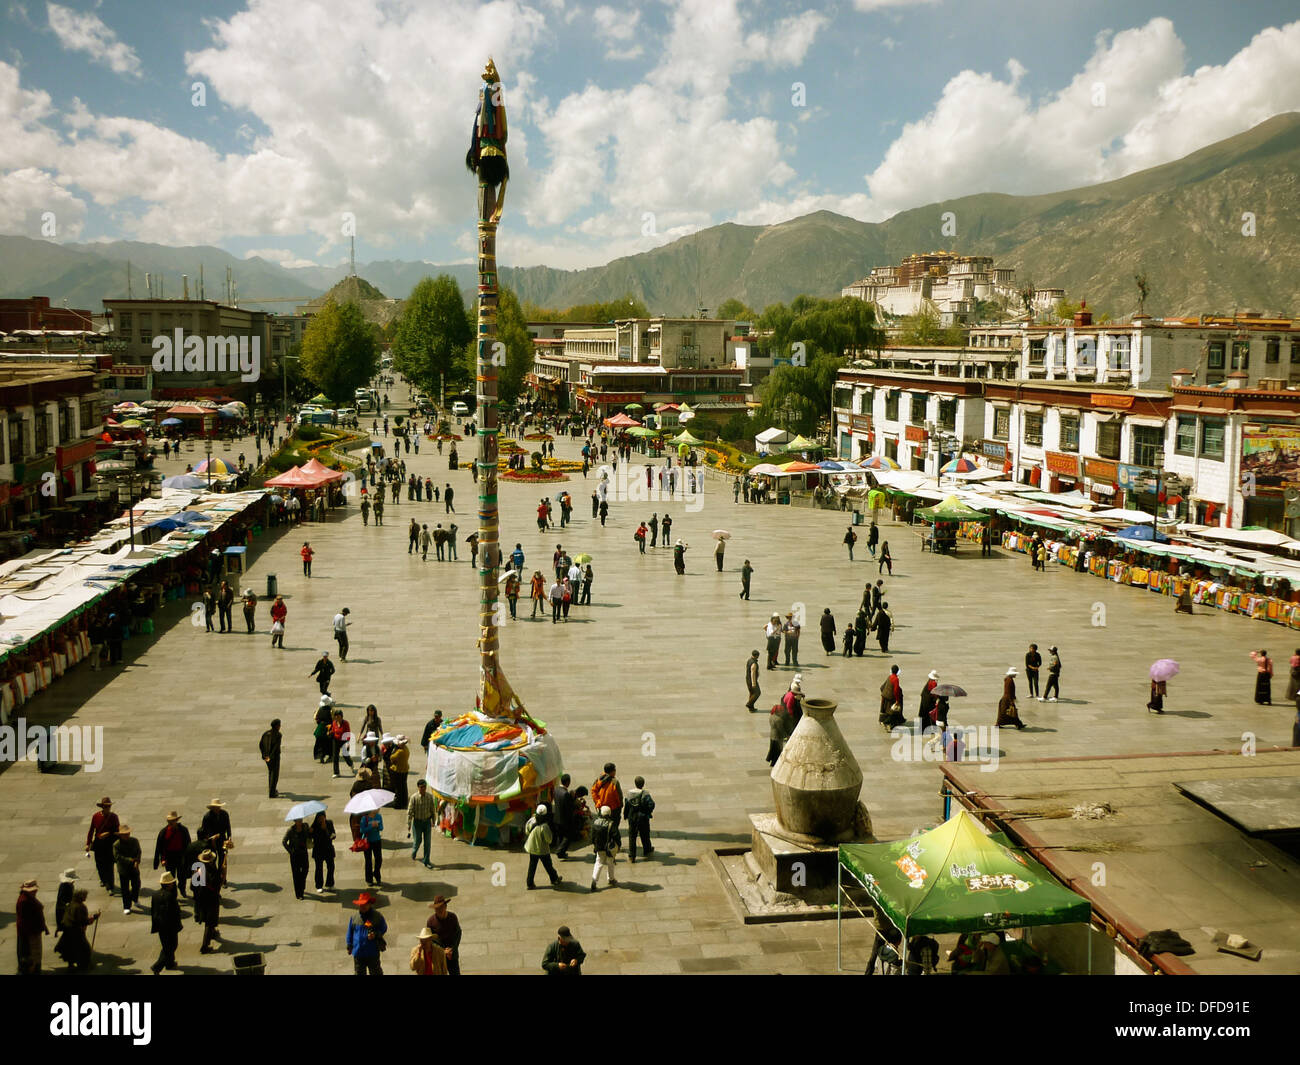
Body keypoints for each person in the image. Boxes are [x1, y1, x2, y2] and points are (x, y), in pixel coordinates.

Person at [54, 888, 98, 970]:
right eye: (85, 896)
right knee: (84, 949)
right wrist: (94, 917)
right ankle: (84, 965)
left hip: (68, 931)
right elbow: (82, 921)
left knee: (70, 949)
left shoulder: (71, 904)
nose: (86, 897)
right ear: (80, 897)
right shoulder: (80, 907)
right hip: (76, 932)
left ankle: (71, 965)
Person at [346, 893, 387, 976]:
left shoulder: (377, 916)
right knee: (359, 972)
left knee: (376, 972)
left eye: (365, 904)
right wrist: (349, 945)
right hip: (358, 952)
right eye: (361, 905)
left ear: (369, 904)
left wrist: (375, 934)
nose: (363, 906)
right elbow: (350, 932)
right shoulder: (354, 917)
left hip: (372, 952)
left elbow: (384, 928)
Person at [149, 871, 182, 974]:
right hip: (170, 926)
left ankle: (170, 963)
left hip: (159, 925)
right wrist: (178, 925)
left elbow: (153, 910)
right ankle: (157, 966)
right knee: (171, 946)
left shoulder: (155, 895)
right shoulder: (170, 896)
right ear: (168, 884)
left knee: (166, 945)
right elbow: (175, 912)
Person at [86, 796, 120, 894]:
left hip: (109, 843)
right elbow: (91, 830)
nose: (107, 808)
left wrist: (108, 833)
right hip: (99, 843)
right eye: (106, 807)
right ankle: (103, 880)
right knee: (99, 864)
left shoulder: (114, 817)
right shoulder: (96, 816)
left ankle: (110, 886)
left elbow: (117, 830)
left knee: (109, 865)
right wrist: (88, 843)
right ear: (102, 807)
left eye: (109, 806)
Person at [524, 804, 563, 889]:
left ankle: (529, 883)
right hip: (542, 850)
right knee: (548, 865)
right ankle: (554, 879)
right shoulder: (544, 826)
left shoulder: (532, 820)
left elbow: (527, 831)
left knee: (532, 866)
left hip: (531, 847)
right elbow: (549, 840)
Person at [153, 812, 191, 896]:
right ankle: (173, 893)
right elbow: (159, 847)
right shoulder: (164, 832)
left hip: (180, 856)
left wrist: (188, 857)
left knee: (182, 875)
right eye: (169, 821)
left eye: (173, 821)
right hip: (169, 857)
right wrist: (162, 859)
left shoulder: (183, 830)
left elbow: (188, 844)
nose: (171, 823)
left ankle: (182, 889)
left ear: (176, 820)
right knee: (171, 877)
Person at [16, 880, 49, 975]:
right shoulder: (24, 901)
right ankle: (33, 970)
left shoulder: (29, 898)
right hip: (30, 932)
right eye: (33, 890)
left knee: (36, 953)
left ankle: (35, 969)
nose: (35, 892)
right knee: (32, 953)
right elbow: (24, 920)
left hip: (34, 930)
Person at [426, 896, 462, 976]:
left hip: (452, 954)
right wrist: (443, 951)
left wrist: (452, 949)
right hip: (438, 956)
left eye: (441, 908)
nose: (439, 910)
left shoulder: (453, 917)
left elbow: (458, 934)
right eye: (437, 909)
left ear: (445, 907)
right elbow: (429, 940)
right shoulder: (431, 922)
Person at [624, 776, 655, 862]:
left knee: (632, 836)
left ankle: (632, 856)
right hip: (642, 817)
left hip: (632, 817)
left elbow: (627, 805)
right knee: (645, 834)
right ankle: (647, 849)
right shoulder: (645, 794)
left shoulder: (629, 793)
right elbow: (651, 804)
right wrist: (647, 812)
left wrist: (626, 815)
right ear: (643, 784)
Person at [113, 825, 142, 914]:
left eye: (128, 834)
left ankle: (135, 898)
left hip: (134, 867)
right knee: (125, 889)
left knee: (136, 885)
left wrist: (137, 861)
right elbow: (117, 857)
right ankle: (126, 906)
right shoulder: (116, 845)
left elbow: (139, 851)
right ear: (120, 835)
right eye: (124, 834)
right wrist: (130, 860)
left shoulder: (134, 841)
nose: (127, 835)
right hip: (123, 869)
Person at [408, 779, 437, 868]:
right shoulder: (414, 798)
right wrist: (409, 824)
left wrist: (433, 821)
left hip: (427, 822)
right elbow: (410, 812)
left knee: (427, 843)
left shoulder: (429, 797)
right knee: (418, 841)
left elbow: (433, 810)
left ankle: (426, 860)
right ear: (418, 788)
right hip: (417, 823)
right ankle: (414, 851)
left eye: (424, 787)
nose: (423, 789)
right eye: (421, 787)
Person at [589, 805, 619, 891]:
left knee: (598, 863)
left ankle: (594, 881)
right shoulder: (611, 824)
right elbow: (616, 836)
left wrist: (595, 845)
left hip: (599, 847)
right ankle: (611, 879)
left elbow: (592, 837)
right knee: (610, 863)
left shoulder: (595, 822)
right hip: (609, 848)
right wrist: (618, 845)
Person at [283, 817, 311, 900]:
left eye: (301, 820)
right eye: (298, 821)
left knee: (305, 870)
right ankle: (299, 894)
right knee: (296, 874)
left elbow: (309, 835)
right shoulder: (291, 830)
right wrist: (291, 851)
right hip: (295, 855)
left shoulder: (305, 826)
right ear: (295, 822)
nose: (300, 822)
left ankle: (302, 885)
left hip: (304, 853)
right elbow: (284, 841)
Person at [591, 763, 624, 828]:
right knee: (613, 826)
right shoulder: (615, 782)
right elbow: (619, 796)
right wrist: (620, 805)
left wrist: (597, 802)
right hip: (613, 809)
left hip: (602, 807)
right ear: (612, 772)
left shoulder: (599, 779)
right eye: (614, 770)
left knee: (603, 825)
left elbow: (593, 791)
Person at [310, 811, 336, 893]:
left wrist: (326, 830)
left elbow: (333, 835)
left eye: (323, 817)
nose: (321, 819)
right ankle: (319, 885)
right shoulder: (314, 826)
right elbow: (311, 838)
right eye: (319, 817)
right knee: (319, 868)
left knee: (331, 867)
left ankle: (330, 883)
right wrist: (310, 832)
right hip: (318, 850)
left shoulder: (329, 823)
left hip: (328, 849)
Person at [359, 808, 383, 886]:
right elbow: (362, 830)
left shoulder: (379, 816)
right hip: (367, 841)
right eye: (377, 808)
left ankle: (376, 873)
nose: (379, 809)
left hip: (377, 840)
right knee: (368, 861)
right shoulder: (364, 818)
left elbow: (381, 828)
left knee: (379, 859)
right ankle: (369, 879)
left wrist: (377, 826)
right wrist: (371, 826)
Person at [260, 718, 282, 798]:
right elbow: (276, 747)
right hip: (274, 757)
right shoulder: (278, 735)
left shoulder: (265, 733)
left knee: (270, 772)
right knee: (274, 774)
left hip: (266, 757)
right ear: (277, 726)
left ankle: (271, 789)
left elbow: (261, 744)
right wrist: (271, 757)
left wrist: (264, 755)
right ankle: (272, 792)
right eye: (279, 725)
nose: (280, 726)